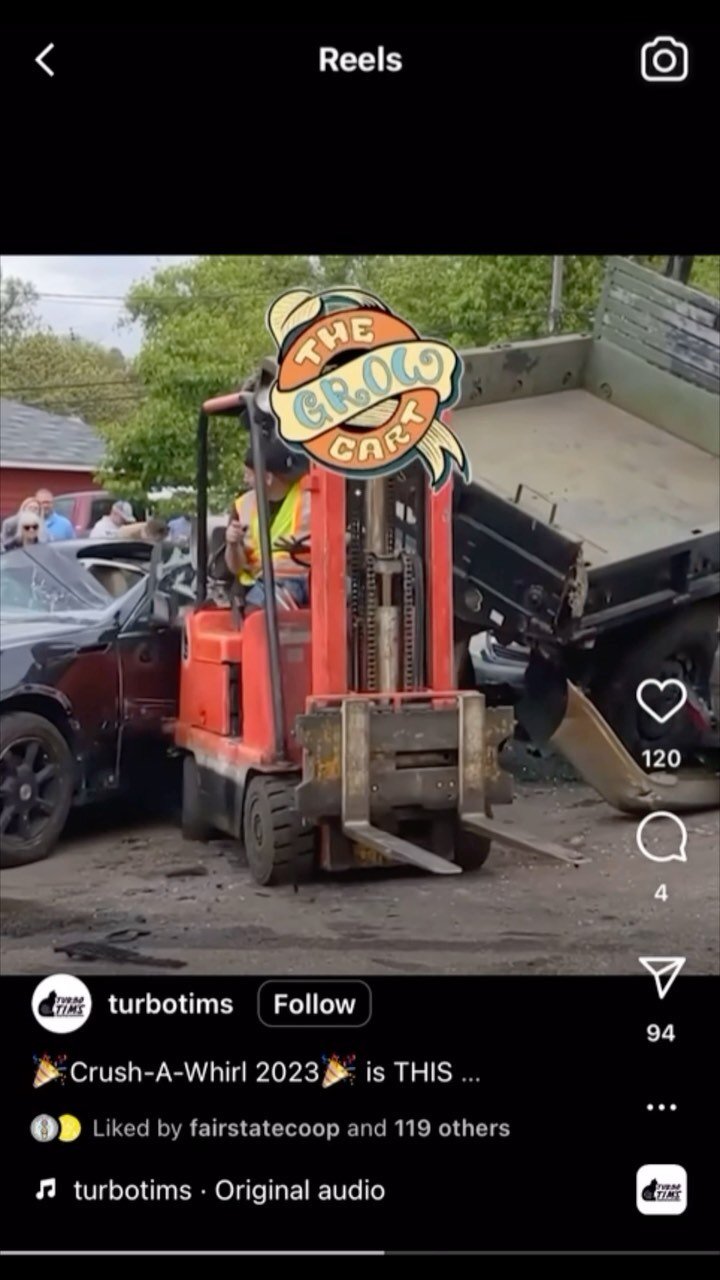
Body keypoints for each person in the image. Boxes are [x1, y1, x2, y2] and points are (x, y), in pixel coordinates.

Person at [224, 437, 311, 610]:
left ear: (268, 478)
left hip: (303, 581)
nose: (245, 480)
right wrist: (232, 544)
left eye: (248, 474)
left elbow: (345, 538)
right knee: (256, 612)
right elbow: (236, 567)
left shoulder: (311, 497)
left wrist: (308, 546)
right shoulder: (242, 506)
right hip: (259, 585)